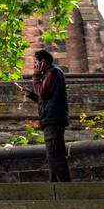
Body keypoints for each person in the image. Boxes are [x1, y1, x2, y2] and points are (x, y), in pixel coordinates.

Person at [25, 48, 71, 182]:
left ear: (43, 62)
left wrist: (35, 77)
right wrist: (31, 95)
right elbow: (44, 97)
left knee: (55, 153)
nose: (34, 66)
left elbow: (44, 93)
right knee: (52, 154)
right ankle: (55, 185)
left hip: (53, 119)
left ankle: (66, 187)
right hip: (50, 119)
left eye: (36, 63)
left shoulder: (52, 73)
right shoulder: (49, 75)